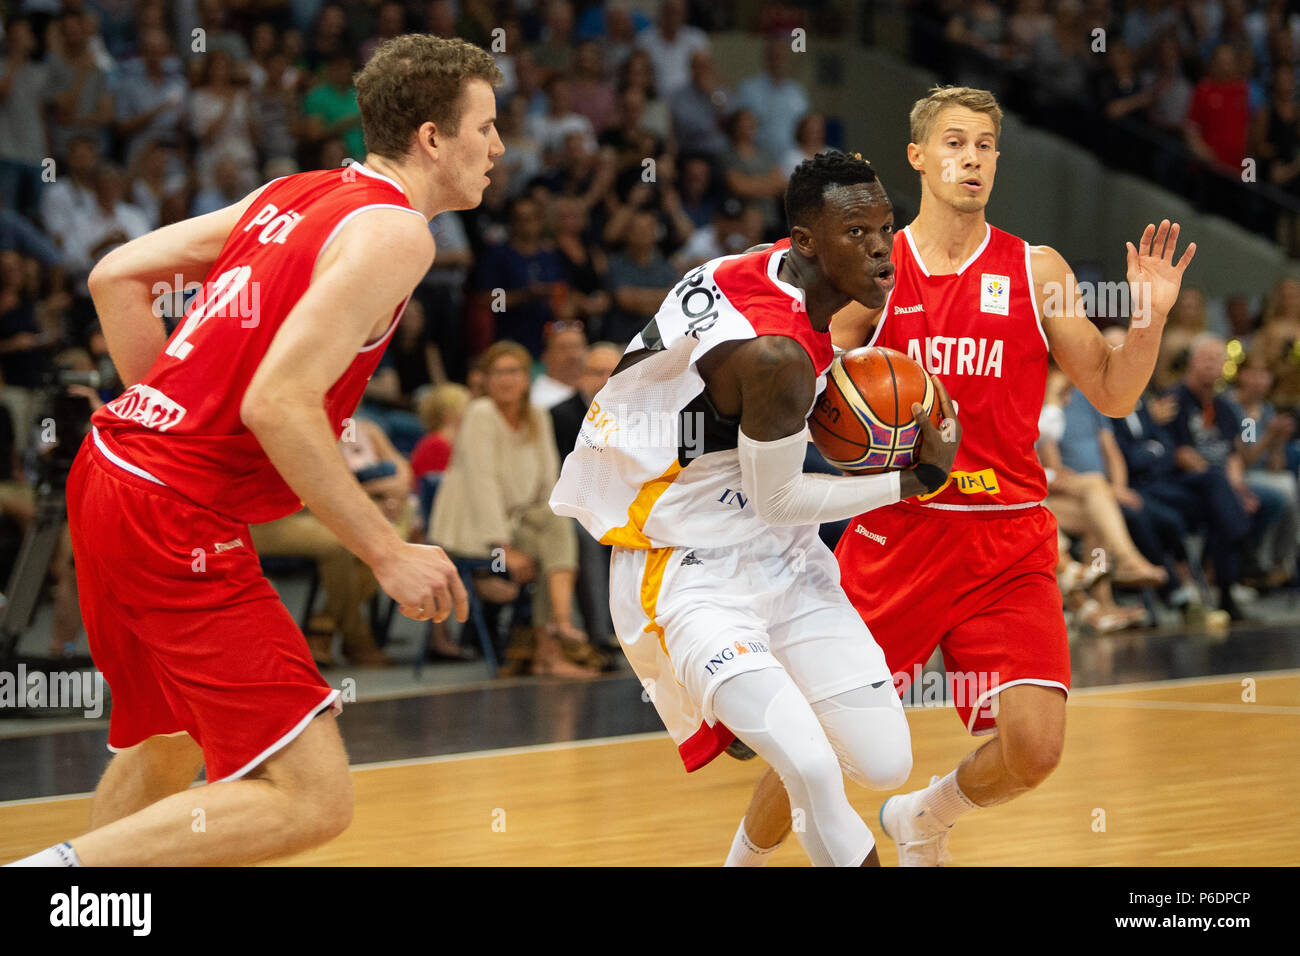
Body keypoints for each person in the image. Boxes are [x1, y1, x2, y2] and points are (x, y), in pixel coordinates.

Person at [5, 34, 495, 868]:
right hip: (169, 506)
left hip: (113, 469)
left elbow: (117, 274)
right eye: (486, 126)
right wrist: (385, 551)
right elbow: (278, 402)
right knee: (314, 797)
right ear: (432, 138)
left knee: (164, 745)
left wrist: (161, 410)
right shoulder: (396, 234)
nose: (499, 147)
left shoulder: (294, 192)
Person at [732, 86, 1196, 866]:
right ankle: (740, 861)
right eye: (953, 143)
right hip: (898, 533)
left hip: (1009, 540)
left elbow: (1115, 394)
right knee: (818, 737)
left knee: (1036, 751)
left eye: (983, 145)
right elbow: (792, 382)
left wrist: (1149, 314)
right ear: (917, 156)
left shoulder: (1036, 269)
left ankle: (921, 817)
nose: (971, 158)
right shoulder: (874, 274)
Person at [551, 151, 960, 867]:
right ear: (806, 241)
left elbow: (776, 498)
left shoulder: (770, 271)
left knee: (886, 762)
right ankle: (738, 707)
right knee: (811, 769)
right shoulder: (774, 354)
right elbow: (781, 496)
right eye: (856, 231)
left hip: (784, 559)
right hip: (687, 564)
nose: (879, 247)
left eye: (885, 228)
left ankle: (747, 718)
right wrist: (913, 479)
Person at [430, 340, 597, 677]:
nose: (506, 379)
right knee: (555, 546)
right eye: (498, 372)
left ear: (526, 378)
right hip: (474, 526)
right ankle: (552, 645)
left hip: (520, 520)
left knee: (562, 526)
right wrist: (503, 548)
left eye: (514, 371)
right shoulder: (480, 414)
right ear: (486, 379)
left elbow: (551, 478)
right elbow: (482, 485)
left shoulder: (537, 415)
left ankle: (555, 634)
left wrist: (548, 516)